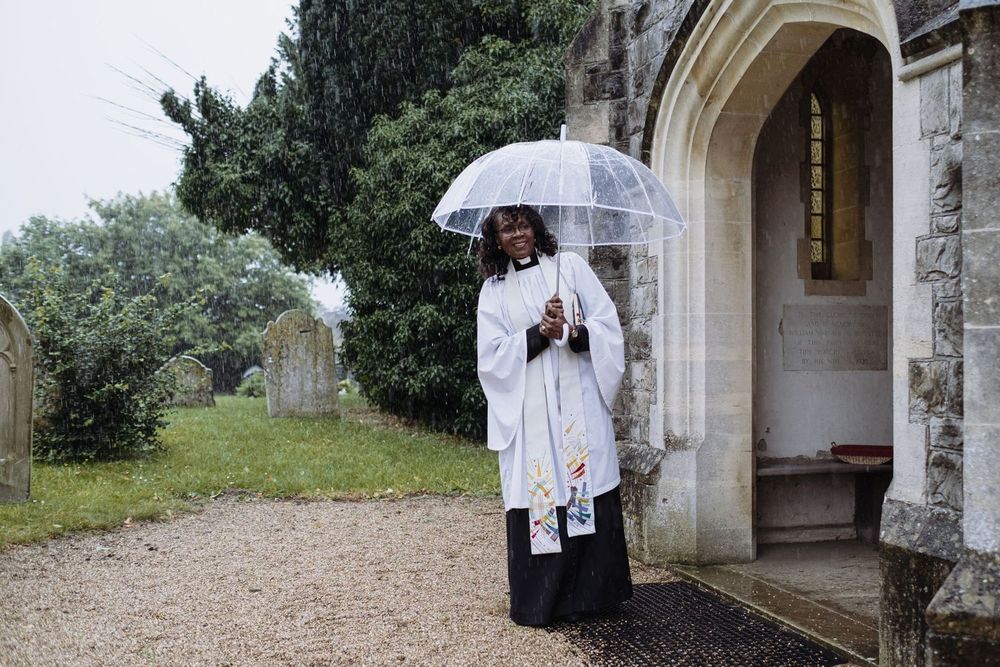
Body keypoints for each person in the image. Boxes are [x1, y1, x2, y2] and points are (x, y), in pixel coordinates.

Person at [476, 204, 632, 626]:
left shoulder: (572, 269)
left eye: (523, 224)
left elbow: (608, 327)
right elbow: (489, 359)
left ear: (536, 227)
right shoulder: (493, 291)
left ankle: (592, 597)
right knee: (542, 488)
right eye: (506, 229)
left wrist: (569, 331)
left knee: (585, 485)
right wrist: (537, 335)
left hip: (577, 403)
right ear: (496, 239)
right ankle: (542, 601)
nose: (517, 234)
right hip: (531, 413)